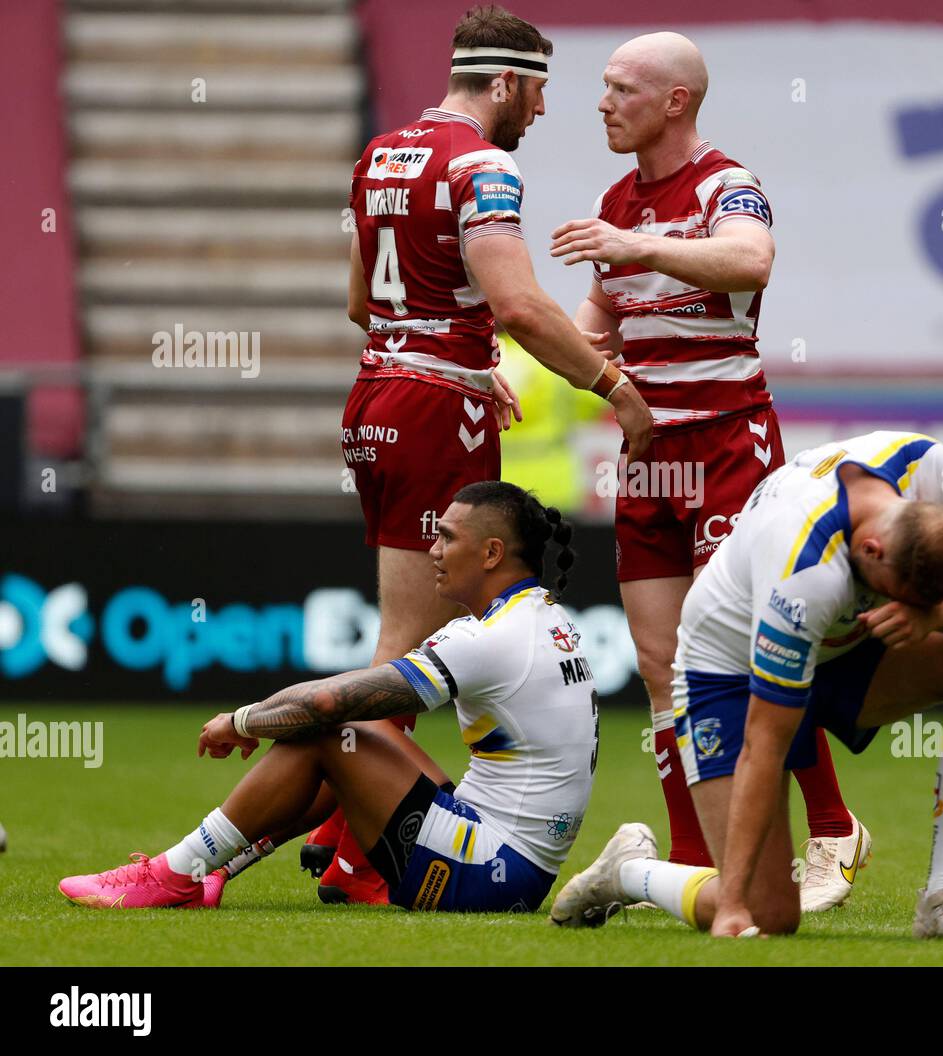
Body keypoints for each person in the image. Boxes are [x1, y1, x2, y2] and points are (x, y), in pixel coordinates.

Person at [308, 5, 651, 902]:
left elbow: (360, 304)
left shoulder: (381, 154)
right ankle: (342, 845)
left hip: (375, 399)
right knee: (403, 650)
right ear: (503, 82)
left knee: (400, 636)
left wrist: (463, 361)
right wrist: (613, 386)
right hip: (431, 411)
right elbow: (524, 308)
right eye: (536, 92)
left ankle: (343, 834)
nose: (540, 113)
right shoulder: (483, 166)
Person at [549, 31, 868, 913]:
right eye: (603, 88)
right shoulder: (616, 198)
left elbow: (749, 261)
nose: (604, 103)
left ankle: (834, 826)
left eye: (620, 89)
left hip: (729, 445)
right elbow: (595, 327)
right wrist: (512, 346)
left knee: (745, 651)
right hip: (649, 456)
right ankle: (699, 858)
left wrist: (638, 244)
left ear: (675, 101)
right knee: (663, 662)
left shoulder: (727, 186)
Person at [551, 431, 943, 942]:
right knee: (768, 915)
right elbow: (765, 743)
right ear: (870, 549)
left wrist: (934, 615)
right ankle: (630, 871)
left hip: (843, 649)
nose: (888, 604)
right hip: (727, 674)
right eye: (886, 594)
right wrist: (732, 904)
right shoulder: (805, 568)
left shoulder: (931, 470)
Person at [59, 483, 600, 915]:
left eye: (447, 538)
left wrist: (242, 722)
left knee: (331, 731)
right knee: (371, 730)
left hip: (485, 876)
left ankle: (174, 875)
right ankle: (215, 871)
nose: (432, 551)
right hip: (517, 867)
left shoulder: (489, 637)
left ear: (491, 553)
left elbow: (326, 706)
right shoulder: (546, 619)